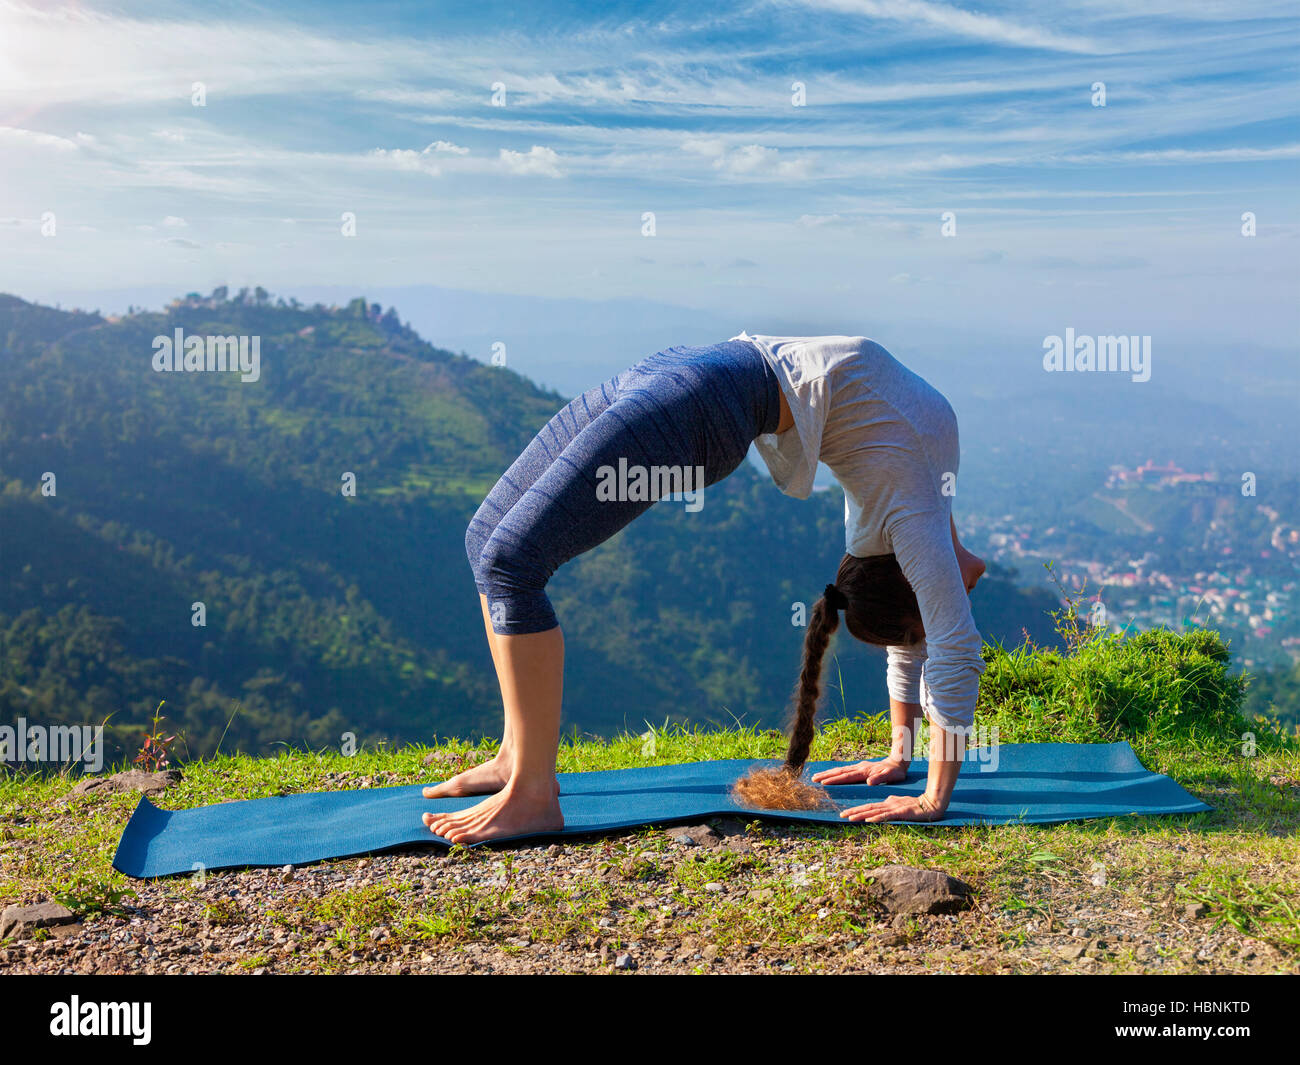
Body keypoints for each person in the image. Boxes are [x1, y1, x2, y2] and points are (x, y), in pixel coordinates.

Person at [423, 333, 986, 844]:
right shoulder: (910, 513)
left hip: (699, 377)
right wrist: (931, 796)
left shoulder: (909, 500)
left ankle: (530, 787)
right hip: (693, 388)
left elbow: (924, 625)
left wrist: (903, 755)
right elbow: (952, 644)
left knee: (507, 559)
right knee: (489, 544)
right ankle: (520, 766)